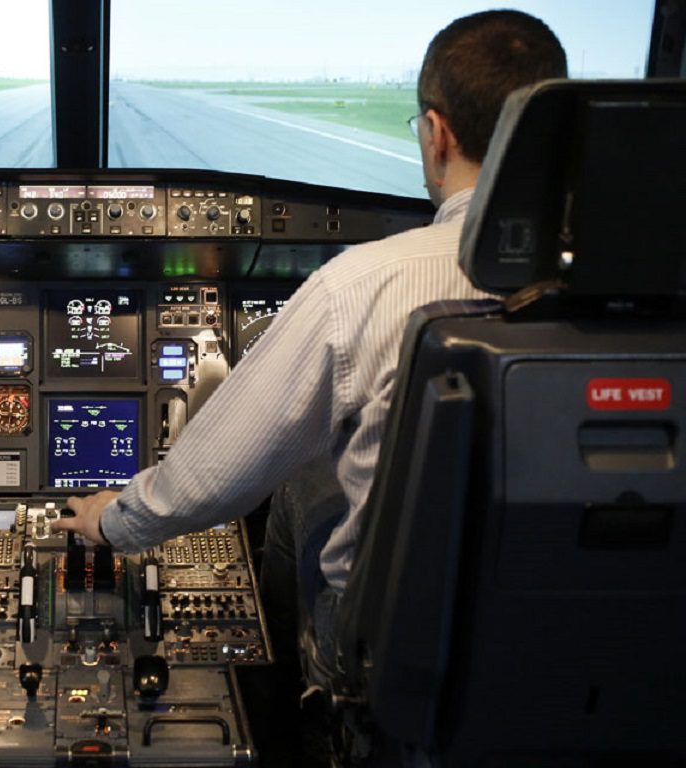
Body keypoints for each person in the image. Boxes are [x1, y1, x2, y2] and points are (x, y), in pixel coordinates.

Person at [53, 10, 568, 674]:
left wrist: (112, 521)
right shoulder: (642, 283)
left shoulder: (362, 286)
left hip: (403, 669)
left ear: (437, 136)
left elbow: (213, 478)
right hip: (585, 651)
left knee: (296, 478)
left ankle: (302, 703)